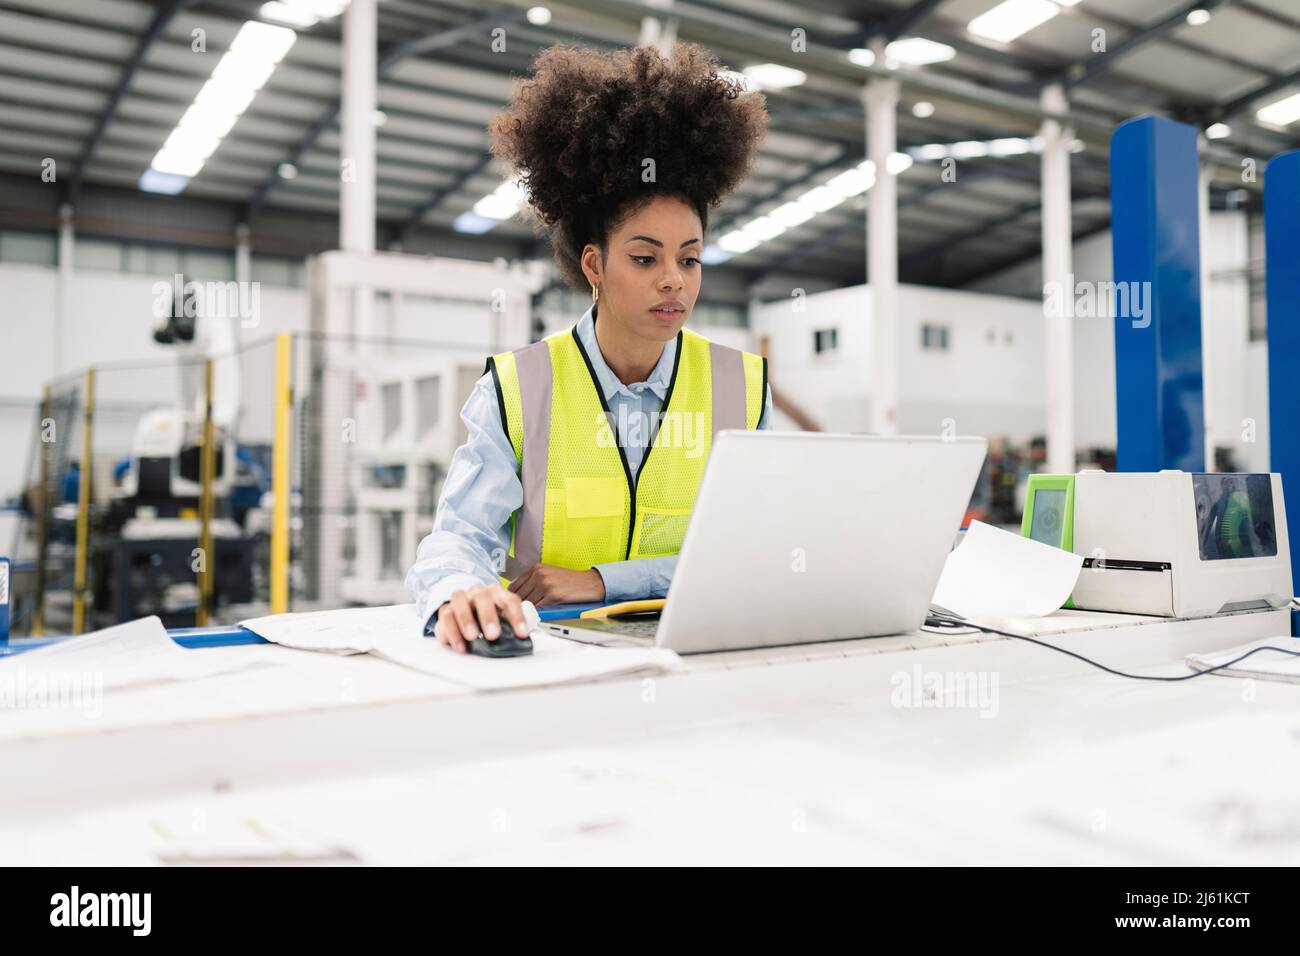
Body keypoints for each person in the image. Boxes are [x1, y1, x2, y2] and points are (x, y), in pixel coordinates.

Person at [406, 42, 771, 653]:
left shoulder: (741, 386)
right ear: (595, 263)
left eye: (690, 258)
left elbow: (752, 554)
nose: (674, 280)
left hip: (696, 663)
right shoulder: (519, 388)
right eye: (645, 257)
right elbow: (458, 535)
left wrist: (602, 582)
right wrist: (460, 593)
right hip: (548, 662)